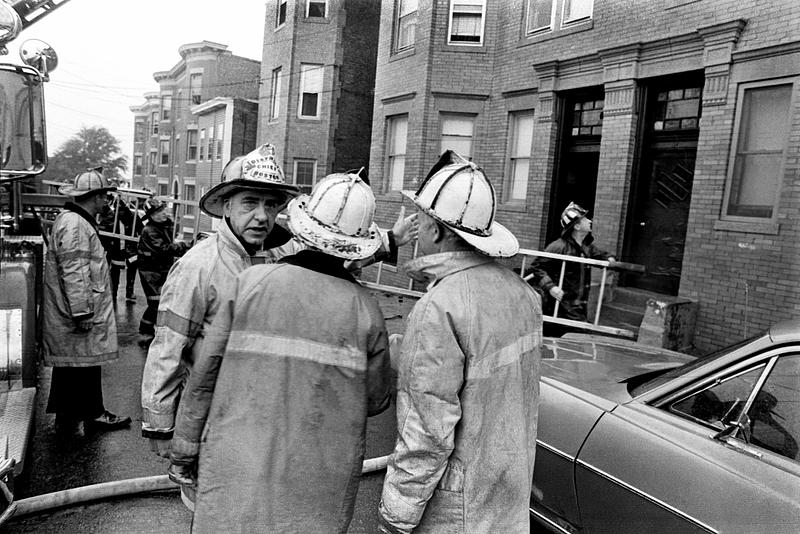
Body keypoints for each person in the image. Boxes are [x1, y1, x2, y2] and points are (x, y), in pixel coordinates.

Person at [140, 144, 416, 506]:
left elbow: (327, 258)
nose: (262, 216)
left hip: (260, 424)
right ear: (225, 206)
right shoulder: (198, 267)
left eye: (270, 205)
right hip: (208, 420)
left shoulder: (272, 256)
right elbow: (167, 350)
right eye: (250, 203)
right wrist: (161, 427)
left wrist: (387, 242)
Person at [378, 151, 542, 534]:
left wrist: (395, 516)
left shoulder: (440, 305)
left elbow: (426, 432)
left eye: (421, 219)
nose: (417, 228)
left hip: (458, 510)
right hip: (506, 496)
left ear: (436, 231)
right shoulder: (523, 294)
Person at [42, 168, 132, 439]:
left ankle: (69, 415)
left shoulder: (73, 221)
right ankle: (93, 413)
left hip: (72, 309)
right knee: (83, 365)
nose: (107, 202)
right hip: (77, 310)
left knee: (72, 365)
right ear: (95, 196)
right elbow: (76, 271)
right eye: (105, 196)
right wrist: (82, 311)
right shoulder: (77, 225)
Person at [526, 201, 615, 331]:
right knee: (573, 337)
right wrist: (551, 287)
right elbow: (537, 267)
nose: (590, 221)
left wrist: (610, 259)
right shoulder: (558, 247)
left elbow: (602, 255)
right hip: (563, 305)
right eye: (585, 219)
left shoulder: (586, 247)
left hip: (578, 305)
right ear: (577, 226)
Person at [135, 197, 190, 348]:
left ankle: (158, 332)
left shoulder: (164, 227)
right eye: (159, 211)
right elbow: (163, 249)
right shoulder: (149, 231)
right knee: (155, 303)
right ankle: (145, 332)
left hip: (162, 270)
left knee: (165, 301)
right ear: (151, 216)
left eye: (163, 209)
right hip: (151, 272)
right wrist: (184, 247)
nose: (163, 213)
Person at [98, 187, 141, 303]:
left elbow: (140, 229)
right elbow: (104, 234)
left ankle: (123, 292)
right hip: (118, 249)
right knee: (116, 271)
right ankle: (116, 293)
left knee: (124, 271)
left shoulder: (130, 217)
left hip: (128, 249)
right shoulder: (113, 217)